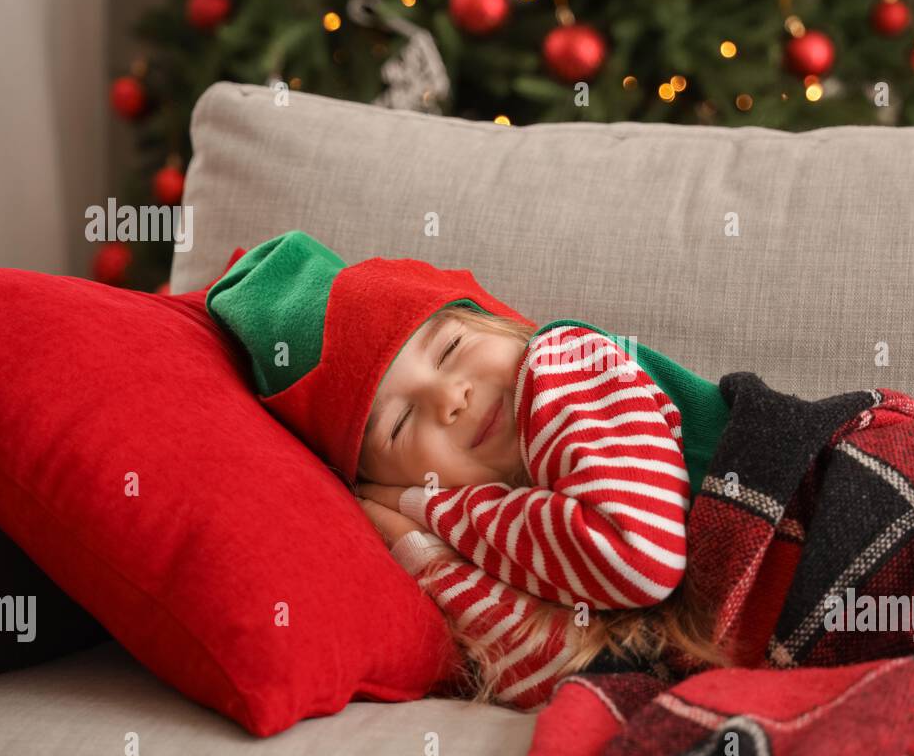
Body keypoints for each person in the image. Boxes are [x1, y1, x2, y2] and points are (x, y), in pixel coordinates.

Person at [206, 230, 734, 710]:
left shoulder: (563, 363)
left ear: (496, 322)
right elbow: (570, 678)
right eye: (400, 423)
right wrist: (419, 549)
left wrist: (425, 507)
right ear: (381, 481)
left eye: (451, 347)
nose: (448, 397)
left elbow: (636, 559)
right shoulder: (516, 543)